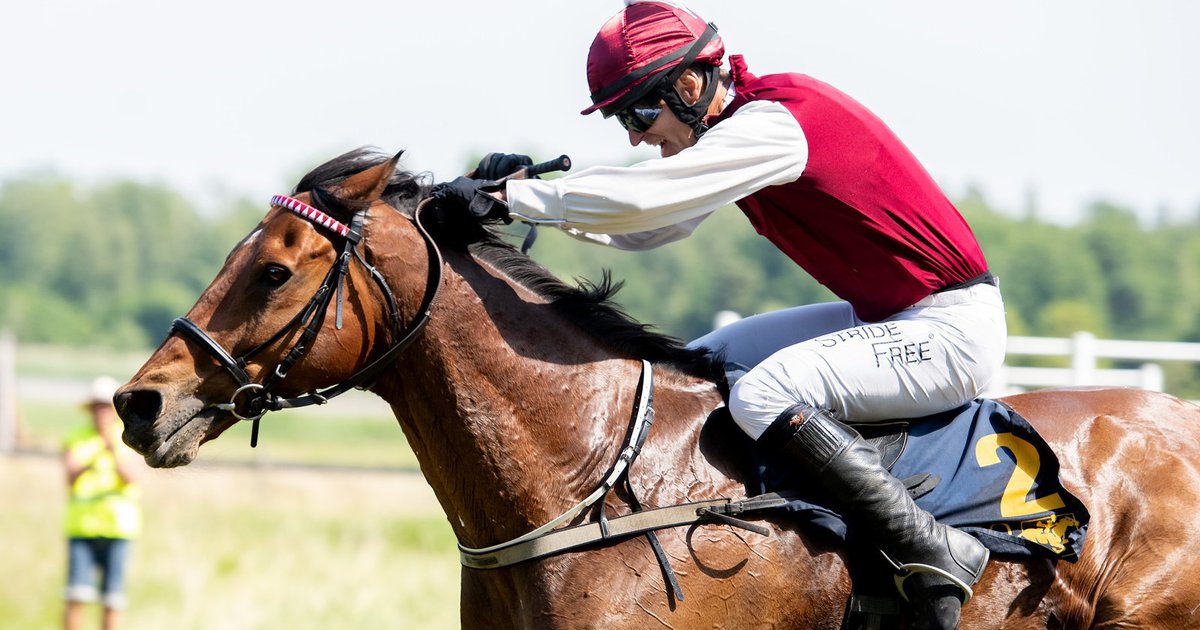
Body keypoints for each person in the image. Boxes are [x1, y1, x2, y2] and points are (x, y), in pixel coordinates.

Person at [431, 1, 1006, 626]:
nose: (633, 135)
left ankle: (928, 545)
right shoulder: (744, 125)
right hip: (892, 318)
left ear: (689, 83)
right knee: (704, 366)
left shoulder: (775, 126)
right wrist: (516, 198)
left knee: (761, 395)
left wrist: (516, 200)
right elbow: (655, 224)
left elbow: (647, 199)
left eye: (638, 111)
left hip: (950, 331)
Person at [63, 376, 142, 630]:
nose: (101, 412)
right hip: (83, 525)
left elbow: (131, 478)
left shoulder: (128, 438)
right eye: (97, 407)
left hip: (117, 525)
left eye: (105, 407)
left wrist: (111, 451)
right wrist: (90, 462)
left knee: (113, 598)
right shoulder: (76, 437)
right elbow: (70, 477)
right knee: (77, 594)